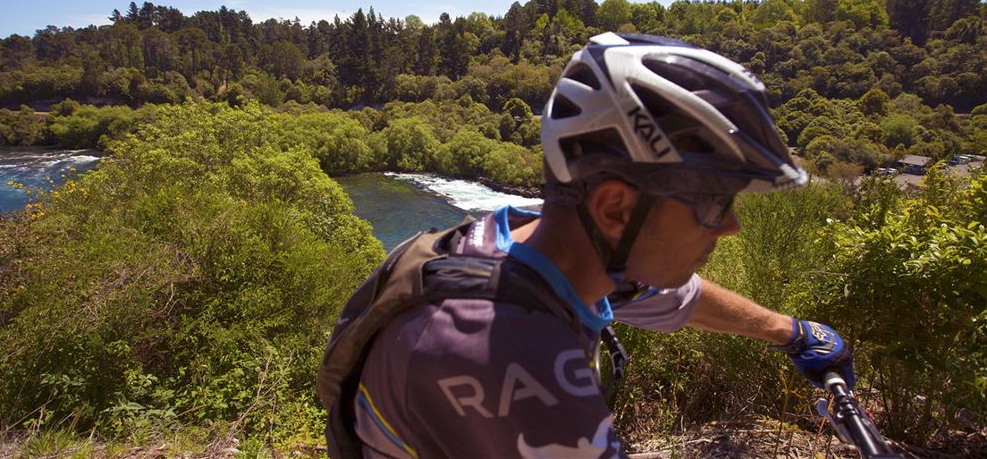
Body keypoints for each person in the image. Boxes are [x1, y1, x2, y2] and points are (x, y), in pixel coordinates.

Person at [348, 32, 854, 459]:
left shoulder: (538, 240)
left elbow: (677, 298)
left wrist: (793, 333)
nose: (731, 227)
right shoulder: (506, 359)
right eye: (714, 203)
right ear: (615, 208)